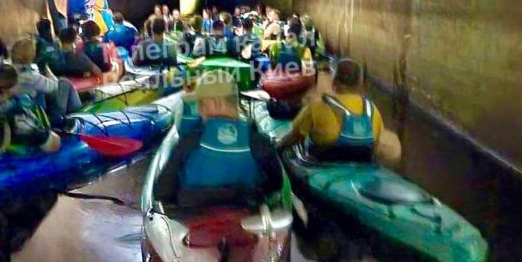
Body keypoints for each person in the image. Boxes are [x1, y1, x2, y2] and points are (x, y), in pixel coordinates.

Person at [154, 70, 282, 208]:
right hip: (245, 213)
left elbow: (162, 192)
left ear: (215, 102)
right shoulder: (258, 141)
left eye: (201, 104)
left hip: (194, 214)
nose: (200, 111)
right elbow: (275, 184)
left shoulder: (190, 141)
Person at [277, 59, 402, 168]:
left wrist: (277, 148)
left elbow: (294, 137)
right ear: (359, 84)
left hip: (323, 162)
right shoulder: (372, 110)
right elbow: (376, 142)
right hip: (362, 161)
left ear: (335, 81)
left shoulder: (317, 107)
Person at [11, 37, 82, 124]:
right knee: (64, 83)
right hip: (39, 118)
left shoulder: (11, 71)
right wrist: (46, 68)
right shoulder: (31, 77)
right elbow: (54, 86)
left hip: (21, 111)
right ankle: (78, 118)